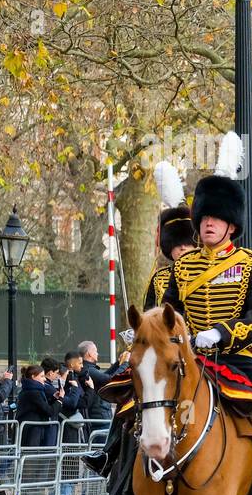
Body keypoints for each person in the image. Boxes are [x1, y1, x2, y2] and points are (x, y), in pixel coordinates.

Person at [87, 133, 252, 495]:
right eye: (203, 218)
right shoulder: (182, 269)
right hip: (188, 359)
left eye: (215, 218)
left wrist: (223, 334)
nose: (208, 223)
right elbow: (171, 314)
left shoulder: (251, 264)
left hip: (238, 357)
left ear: (231, 224)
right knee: (134, 403)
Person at [84, 168, 196, 478]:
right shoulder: (160, 279)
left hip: (198, 354)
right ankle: (114, 467)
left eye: (186, 245)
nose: (181, 251)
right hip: (161, 355)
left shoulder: (209, 273)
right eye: (176, 247)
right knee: (129, 400)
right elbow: (148, 315)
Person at [16, 366, 66, 447]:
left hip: (30, 431)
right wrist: (60, 400)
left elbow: (40, 407)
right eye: (42, 376)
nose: (45, 379)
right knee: (29, 457)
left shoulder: (29, 389)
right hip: (31, 433)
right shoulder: (34, 392)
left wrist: (54, 398)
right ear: (33, 377)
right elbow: (49, 411)